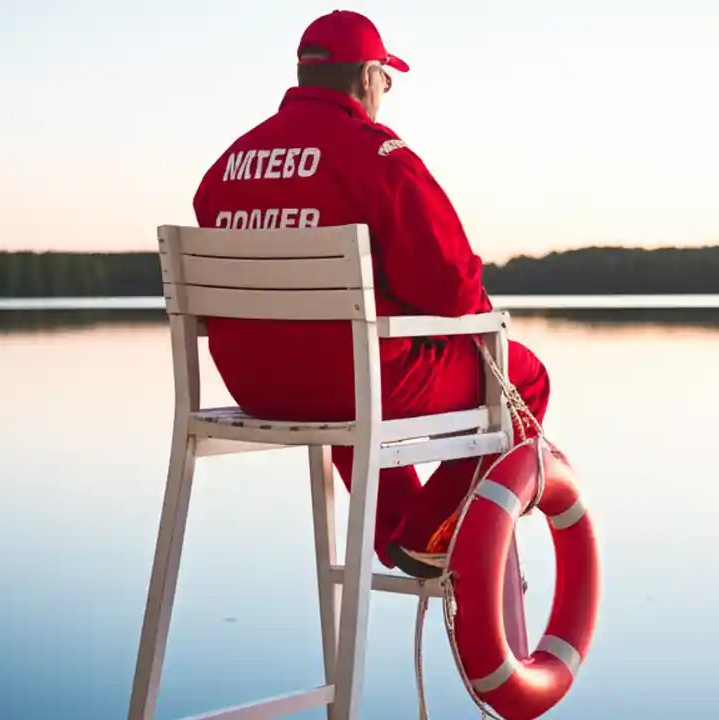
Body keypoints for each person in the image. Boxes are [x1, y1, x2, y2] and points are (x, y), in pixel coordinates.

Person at [190, 10, 551, 578]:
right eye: (386, 77)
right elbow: (453, 288)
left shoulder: (228, 165)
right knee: (525, 379)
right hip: (347, 385)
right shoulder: (378, 155)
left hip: (252, 386)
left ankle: (401, 529)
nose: (386, 89)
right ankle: (428, 529)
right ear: (365, 77)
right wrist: (476, 322)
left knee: (343, 365)